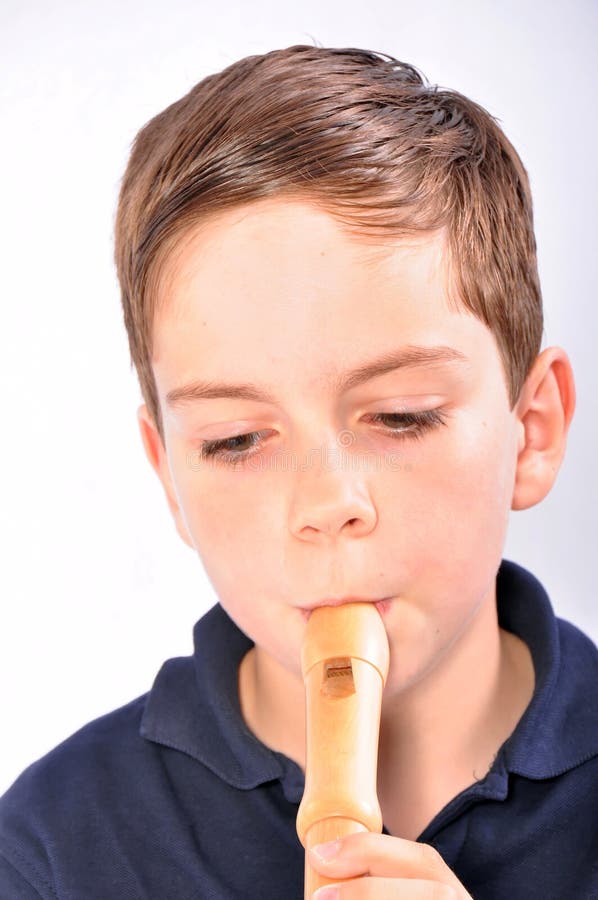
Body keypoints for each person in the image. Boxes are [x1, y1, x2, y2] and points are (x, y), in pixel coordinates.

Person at [0, 43, 595, 900]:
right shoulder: (53, 846)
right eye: (237, 439)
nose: (326, 505)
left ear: (532, 430)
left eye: (400, 416)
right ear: (168, 473)